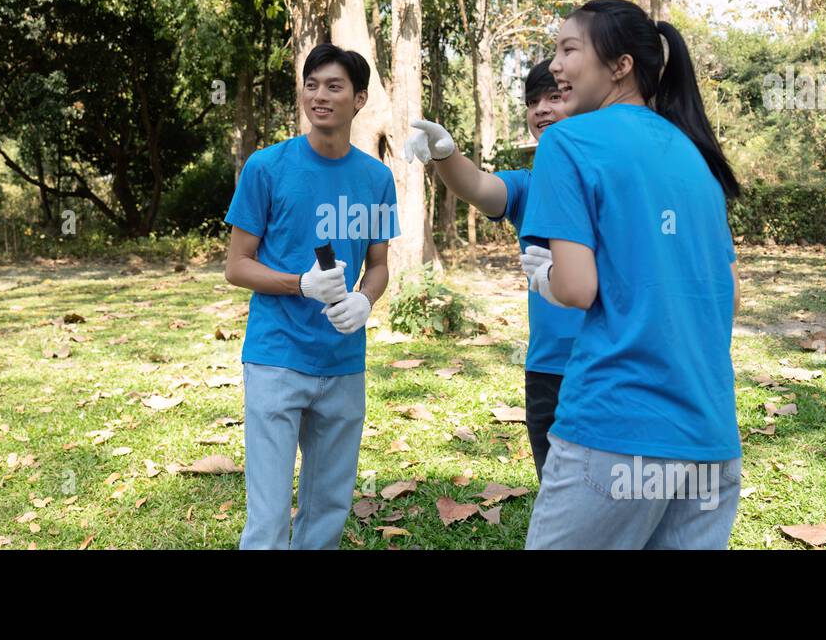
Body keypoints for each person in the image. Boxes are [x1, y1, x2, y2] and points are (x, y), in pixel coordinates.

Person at [519, 0, 743, 549]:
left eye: (570, 49)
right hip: (709, 438)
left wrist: (544, 275)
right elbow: (731, 295)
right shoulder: (698, 158)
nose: (556, 65)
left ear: (620, 66)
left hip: (615, 426)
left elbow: (577, 288)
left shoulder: (567, 143)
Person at [223, 43, 400, 549]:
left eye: (334, 86)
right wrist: (299, 283)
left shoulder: (377, 178)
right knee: (269, 515)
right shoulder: (267, 167)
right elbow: (236, 266)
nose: (319, 96)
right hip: (277, 357)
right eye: (312, 84)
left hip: (343, 362)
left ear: (360, 99)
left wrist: (366, 300)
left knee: (327, 511)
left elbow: (380, 265)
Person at [404, 59, 584, 483]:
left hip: (609, 363)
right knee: (558, 495)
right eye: (532, 101)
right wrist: (446, 155)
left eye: (554, 97)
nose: (541, 109)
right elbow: (481, 187)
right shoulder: (527, 184)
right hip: (547, 371)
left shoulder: (617, 175)